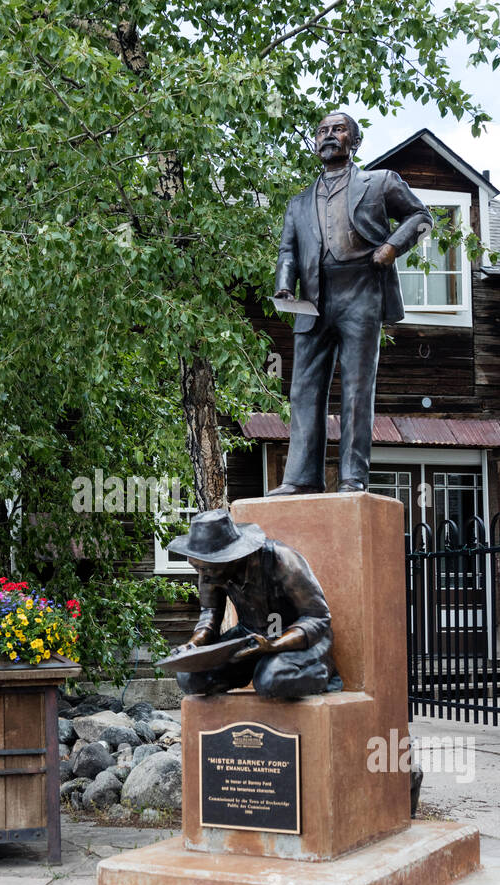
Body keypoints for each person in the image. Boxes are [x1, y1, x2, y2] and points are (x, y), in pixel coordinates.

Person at [271, 111, 432, 494]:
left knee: (357, 390)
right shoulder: (298, 202)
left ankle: (352, 477)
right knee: (303, 390)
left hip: (361, 291)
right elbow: (287, 250)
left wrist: (392, 247)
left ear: (354, 141)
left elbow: (422, 217)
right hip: (313, 300)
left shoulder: (380, 183)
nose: (329, 136)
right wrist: (283, 286)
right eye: (322, 131)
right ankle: (301, 478)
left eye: (338, 130)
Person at [168, 508, 340, 699]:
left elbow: (317, 617)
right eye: (196, 568)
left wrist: (274, 645)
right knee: (190, 678)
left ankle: (321, 672)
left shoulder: (282, 560)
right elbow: (209, 613)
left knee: (272, 681)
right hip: (249, 637)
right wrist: (193, 646)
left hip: (294, 638)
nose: (202, 576)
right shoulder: (210, 570)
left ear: (231, 557)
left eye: (206, 569)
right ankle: (256, 667)